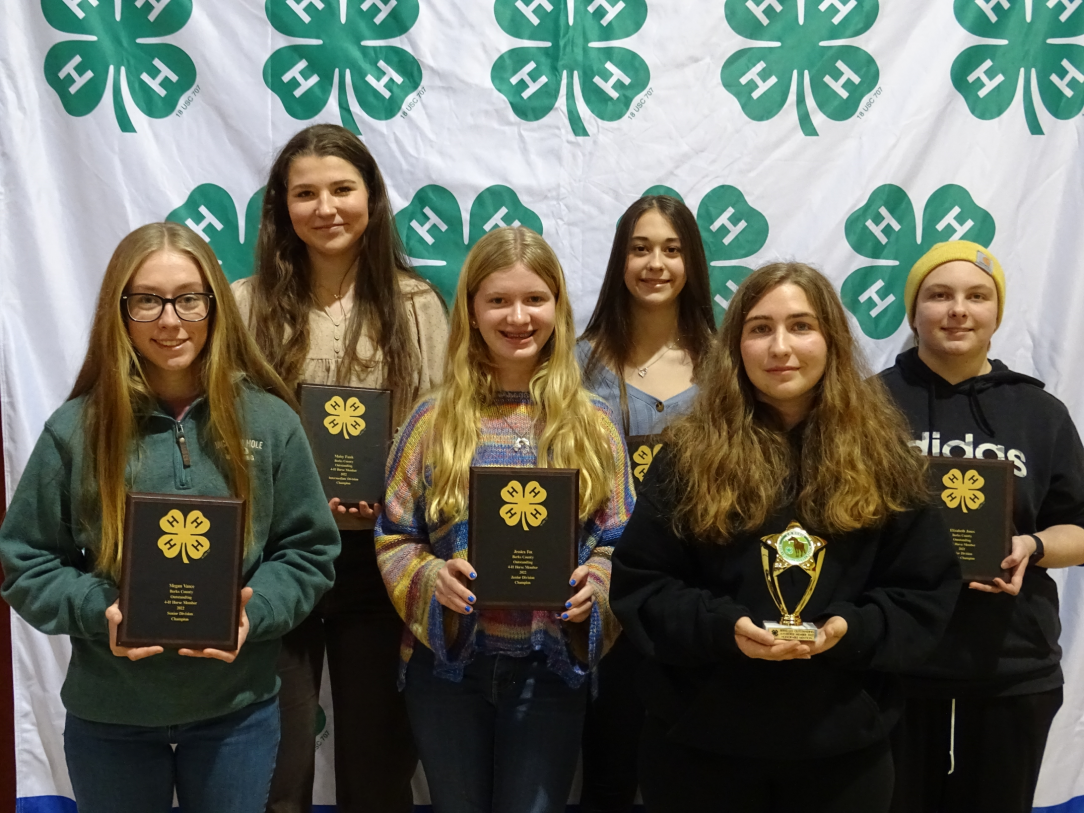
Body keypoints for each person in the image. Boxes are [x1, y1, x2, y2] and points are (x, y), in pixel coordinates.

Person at [0, 222, 340, 813]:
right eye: (147, 301)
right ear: (120, 311)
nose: (170, 320)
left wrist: (253, 610)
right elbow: (25, 561)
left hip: (236, 714)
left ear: (214, 305)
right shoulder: (75, 429)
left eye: (188, 298)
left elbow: (309, 551)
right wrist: (99, 610)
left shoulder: (270, 422)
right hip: (111, 717)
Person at [610, 262, 961, 813]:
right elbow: (643, 587)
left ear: (832, 339)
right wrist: (724, 628)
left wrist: (849, 629)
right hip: (701, 748)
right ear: (736, 345)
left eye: (801, 326)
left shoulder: (886, 458)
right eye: (760, 328)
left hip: (842, 751)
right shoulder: (685, 455)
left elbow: (924, 593)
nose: (780, 347)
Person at [375, 226, 635, 813]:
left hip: (549, 670)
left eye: (534, 299)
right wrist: (430, 579)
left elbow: (619, 539)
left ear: (558, 308)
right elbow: (396, 535)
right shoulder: (431, 420)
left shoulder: (593, 424)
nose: (518, 317)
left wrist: (596, 584)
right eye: (498, 300)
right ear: (471, 310)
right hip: (448, 673)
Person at [232, 123, 447, 813]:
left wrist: (392, 500)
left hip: (381, 561)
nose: (325, 208)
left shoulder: (416, 305)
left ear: (372, 198)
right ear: (282, 205)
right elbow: (226, 435)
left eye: (342, 189)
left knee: (376, 773)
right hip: (276, 559)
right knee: (277, 773)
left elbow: (438, 436)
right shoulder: (243, 304)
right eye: (306, 193)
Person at [880, 241, 1084, 813]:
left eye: (977, 296)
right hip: (895, 663)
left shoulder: (1039, 412)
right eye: (938, 295)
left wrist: (1031, 546)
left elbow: (1078, 529)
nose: (958, 310)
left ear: (996, 312)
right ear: (913, 310)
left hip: (1010, 665)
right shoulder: (868, 404)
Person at [575, 194, 715, 812]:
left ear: (692, 262)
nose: (655, 263)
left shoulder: (726, 363)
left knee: (689, 777)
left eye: (671, 249)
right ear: (620, 260)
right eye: (640, 249)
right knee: (607, 772)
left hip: (695, 595)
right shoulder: (577, 363)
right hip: (605, 595)